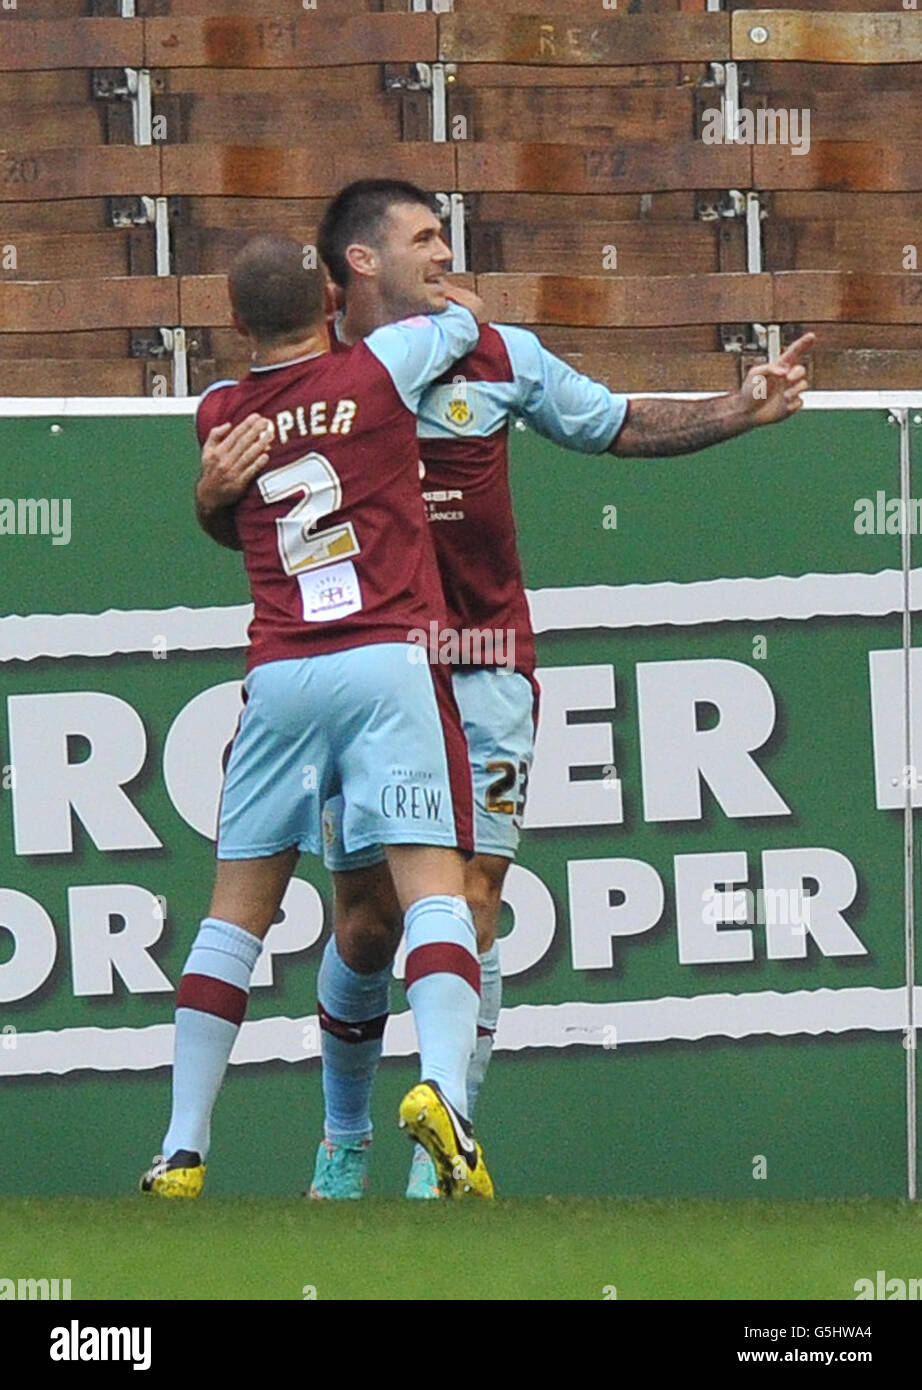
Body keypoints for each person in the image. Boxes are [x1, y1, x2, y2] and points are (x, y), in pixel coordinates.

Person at [198, 181, 814, 1200]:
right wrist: (211, 496)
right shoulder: (307, 379)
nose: (446, 252)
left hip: (480, 659)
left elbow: (615, 424)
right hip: (371, 672)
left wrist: (739, 407)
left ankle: (443, 1159)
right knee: (363, 922)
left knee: (473, 903)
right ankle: (342, 1139)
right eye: (424, 237)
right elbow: (256, 529)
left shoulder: (498, 355)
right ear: (357, 261)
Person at [141, 232, 495, 1201]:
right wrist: (425, 284)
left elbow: (236, 509)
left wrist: (211, 486)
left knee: (233, 919)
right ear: (334, 295)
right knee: (431, 889)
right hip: (384, 661)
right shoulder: (380, 370)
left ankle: (181, 1145)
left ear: (232, 315)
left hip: (283, 671)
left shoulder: (219, 413)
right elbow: (463, 323)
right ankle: (443, 1103)